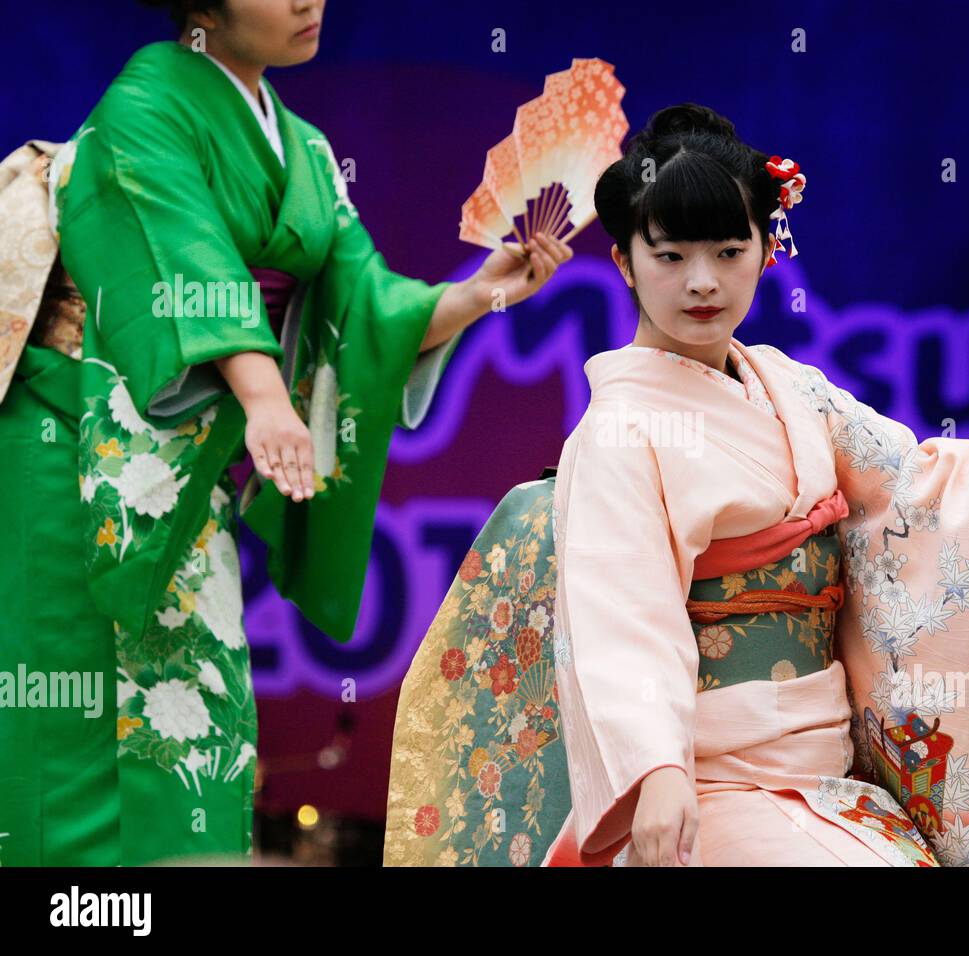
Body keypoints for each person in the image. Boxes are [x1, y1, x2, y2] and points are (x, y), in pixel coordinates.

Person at [385, 103, 969, 867]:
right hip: (707, 783)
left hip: (829, 778)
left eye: (729, 251)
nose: (703, 282)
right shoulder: (619, 430)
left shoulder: (792, 389)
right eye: (670, 256)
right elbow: (622, 619)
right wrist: (656, 775)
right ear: (623, 261)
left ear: (767, 250)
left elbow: (922, 492)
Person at [0, 0, 571, 867]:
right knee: (67, 715)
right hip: (81, 448)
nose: (311, 2)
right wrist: (264, 395)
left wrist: (481, 291)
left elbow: (363, 304)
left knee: (197, 720)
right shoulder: (143, 102)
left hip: (185, 463)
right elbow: (185, 258)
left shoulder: (301, 146)